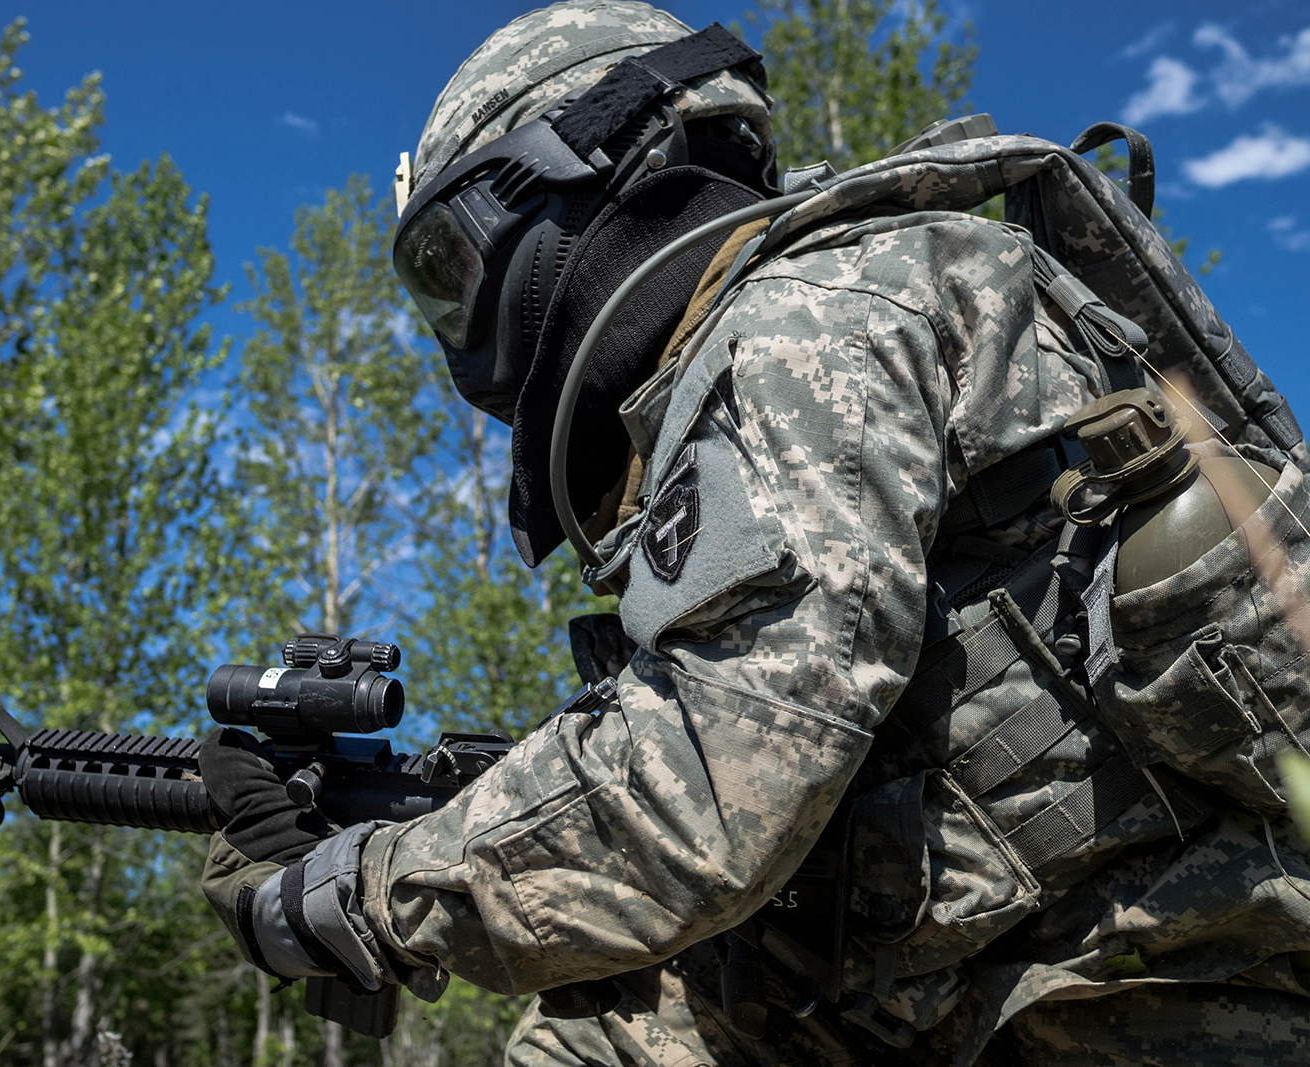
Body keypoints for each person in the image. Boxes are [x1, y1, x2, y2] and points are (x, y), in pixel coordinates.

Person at [197, 3, 1310, 1064]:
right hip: (1026, 974)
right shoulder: (838, 303)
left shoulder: (799, 324)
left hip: (1149, 988)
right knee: (610, 1017)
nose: (458, 327)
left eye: (449, 265)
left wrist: (366, 888)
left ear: (572, 170)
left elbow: (721, 776)